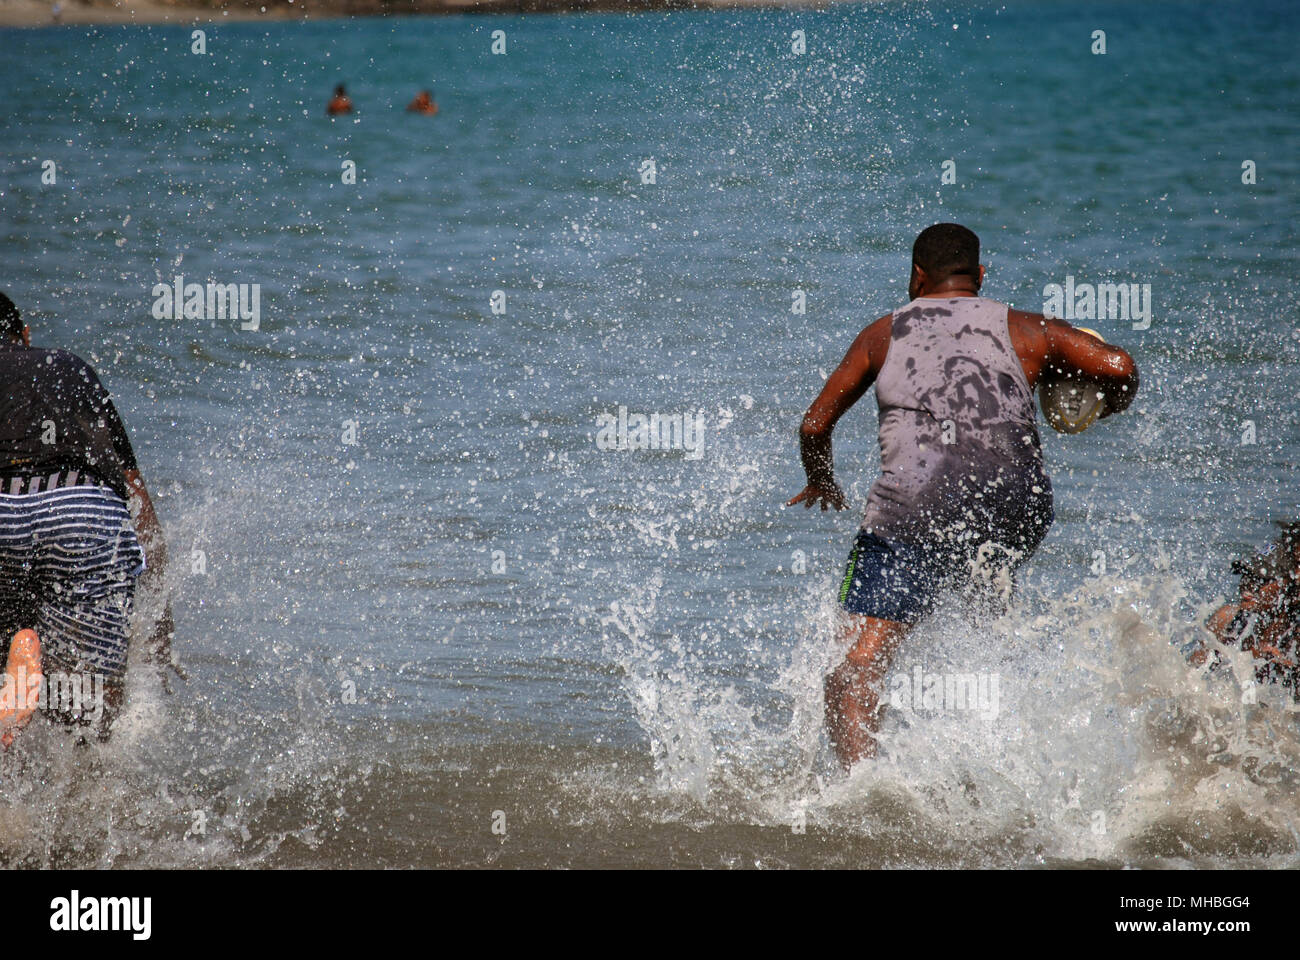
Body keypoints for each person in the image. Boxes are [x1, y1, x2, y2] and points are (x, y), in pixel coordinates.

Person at [788, 223, 1140, 768]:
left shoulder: (883, 334)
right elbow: (1119, 366)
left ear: (915, 277)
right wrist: (1108, 403)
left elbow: (814, 426)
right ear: (979, 277)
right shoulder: (1028, 329)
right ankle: (1003, 746)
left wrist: (821, 480)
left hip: (914, 509)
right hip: (1017, 508)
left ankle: (863, 794)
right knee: (981, 610)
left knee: (855, 663)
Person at [0, 292, 173, 741]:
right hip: (81, 507)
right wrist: (160, 613)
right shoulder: (69, 367)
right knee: (93, 710)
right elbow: (137, 499)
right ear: (25, 336)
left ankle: (16, 652)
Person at [1196, 521, 1300, 690]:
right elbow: (1189, 677)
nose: (1246, 590)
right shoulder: (1229, 619)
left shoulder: (1292, 627)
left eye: (1260, 582)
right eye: (1246, 578)